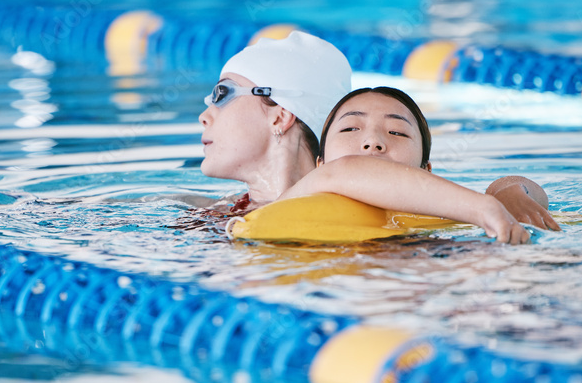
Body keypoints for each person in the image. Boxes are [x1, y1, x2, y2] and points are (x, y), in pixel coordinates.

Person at [188, 32, 558, 239]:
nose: (205, 115)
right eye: (351, 128)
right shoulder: (219, 210)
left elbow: (345, 172)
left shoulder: (337, 181)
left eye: (222, 94)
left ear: (281, 114)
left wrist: (499, 194)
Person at [276, 87, 558, 244]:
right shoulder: (290, 203)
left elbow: (527, 189)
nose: (372, 142)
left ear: (426, 171)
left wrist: (505, 192)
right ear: (320, 165)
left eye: (396, 133)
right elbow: (345, 171)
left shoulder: (445, 214)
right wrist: (483, 206)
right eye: (350, 128)